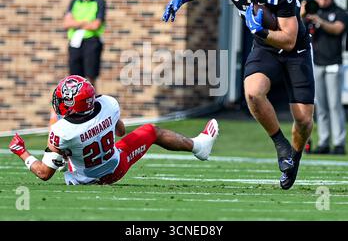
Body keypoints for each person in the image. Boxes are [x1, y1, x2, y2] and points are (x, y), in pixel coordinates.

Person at [163, 0, 314, 190]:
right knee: (253, 92)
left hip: (295, 51)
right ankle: (280, 145)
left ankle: (293, 158)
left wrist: (261, 30)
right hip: (265, 47)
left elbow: (288, 40)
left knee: (304, 121)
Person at [9, 75, 219, 185]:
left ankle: (65, 159)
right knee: (152, 131)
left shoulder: (61, 130)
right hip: (116, 167)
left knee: (61, 154)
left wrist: (21, 151)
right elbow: (121, 132)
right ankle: (199, 146)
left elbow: (44, 174)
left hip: (82, 178)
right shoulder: (109, 103)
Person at [301, 0, 347, 155]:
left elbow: (337, 29)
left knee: (335, 105)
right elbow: (296, 27)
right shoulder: (311, 12)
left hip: (333, 64)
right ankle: (324, 141)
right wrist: (303, 14)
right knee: (321, 106)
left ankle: (339, 142)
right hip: (316, 64)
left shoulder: (339, 12)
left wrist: (319, 20)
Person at [63, 0, 106, 88]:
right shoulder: (75, 1)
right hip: (75, 42)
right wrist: (84, 22)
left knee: (90, 76)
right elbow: (66, 23)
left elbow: (96, 25)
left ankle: (91, 103)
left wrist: (76, 23)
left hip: (91, 41)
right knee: (74, 78)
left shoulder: (99, 2)